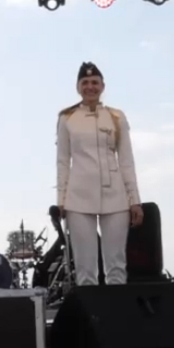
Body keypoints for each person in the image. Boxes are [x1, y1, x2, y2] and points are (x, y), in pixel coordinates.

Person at [56, 62, 143, 286]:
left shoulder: (116, 117)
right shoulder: (67, 118)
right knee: (85, 269)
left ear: (103, 86)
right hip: (78, 197)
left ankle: (117, 309)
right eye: (85, 82)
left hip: (115, 196)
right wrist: (61, 200)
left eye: (95, 82)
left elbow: (126, 160)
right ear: (78, 87)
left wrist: (134, 200)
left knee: (116, 267)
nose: (90, 87)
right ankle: (90, 309)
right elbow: (63, 161)